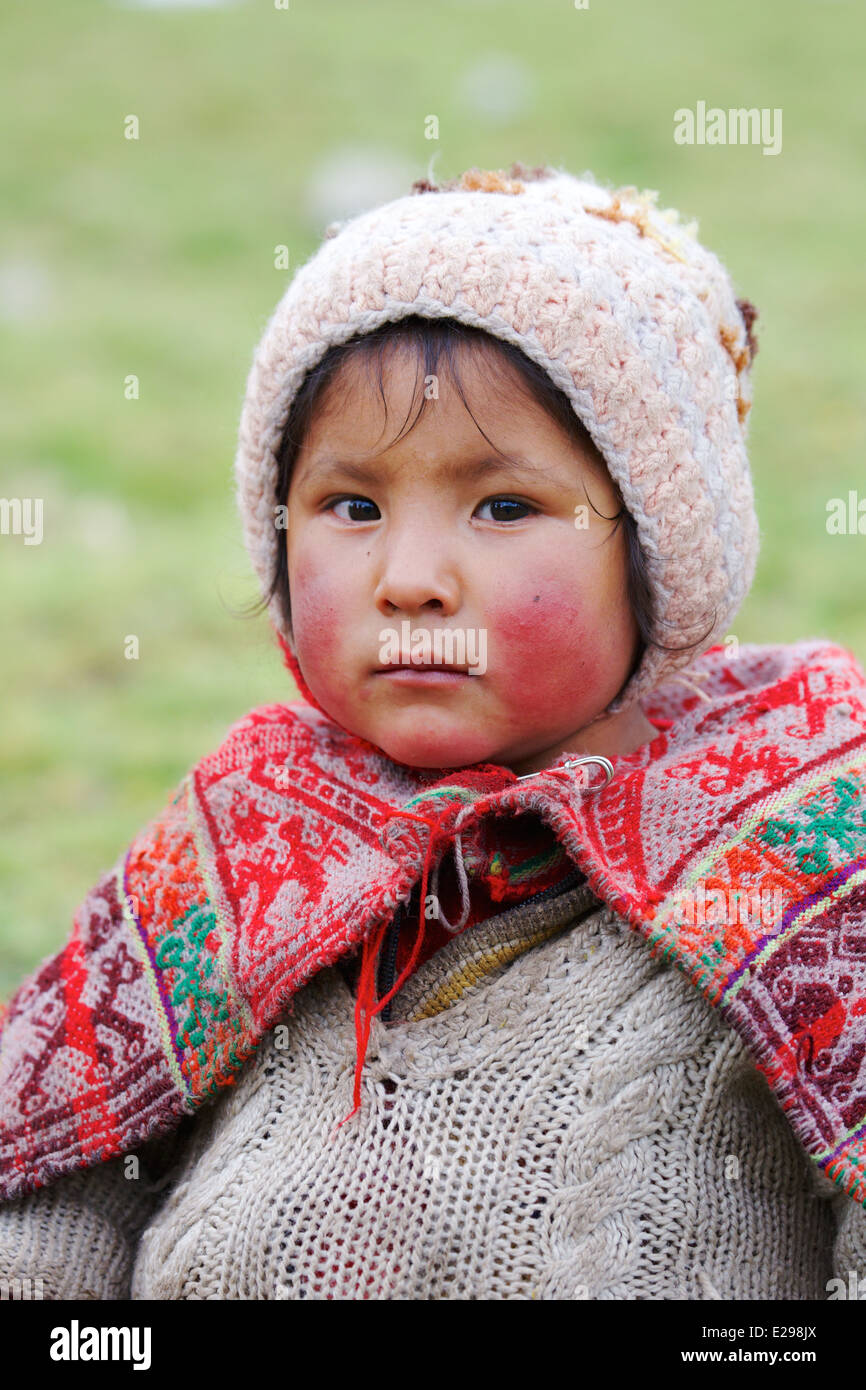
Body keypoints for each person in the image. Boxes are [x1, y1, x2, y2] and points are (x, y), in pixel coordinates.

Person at [2, 162, 866, 1300]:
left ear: (657, 553)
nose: (408, 580)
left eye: (502, 506)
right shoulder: (240, 839)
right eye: (350, 506)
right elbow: (55, 1189)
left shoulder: (807, 837)